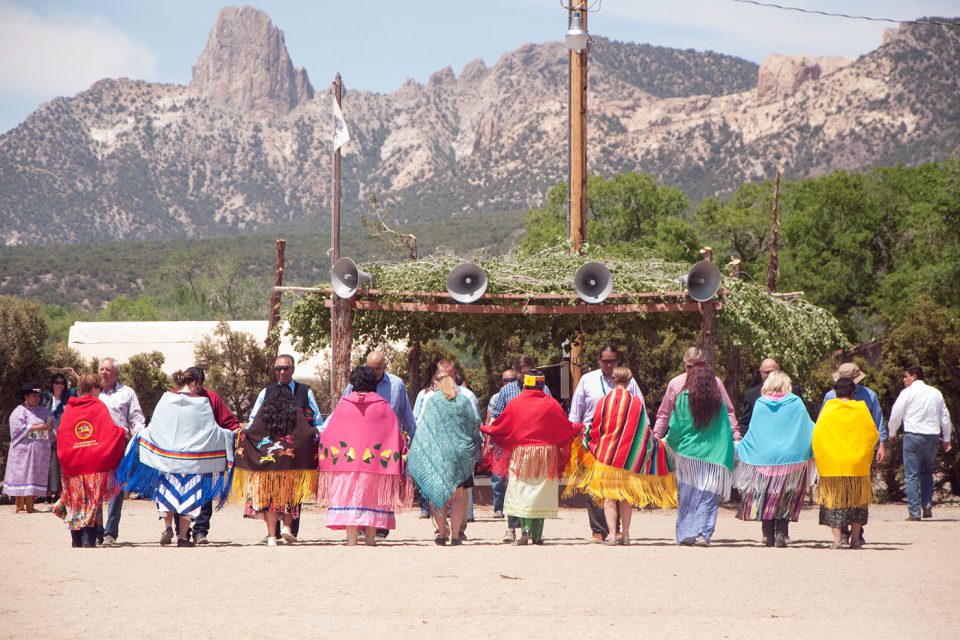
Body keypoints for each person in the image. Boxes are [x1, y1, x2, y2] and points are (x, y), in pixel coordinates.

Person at [115, 369, 234, 547]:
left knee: (166, 494)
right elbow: (211, 431)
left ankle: (167, 527)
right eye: (199, 385)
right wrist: (228, 435)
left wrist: (142, 437)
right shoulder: (201, 403)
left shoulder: (166, 398)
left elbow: (155, 427)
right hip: (193, 462)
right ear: (194, 383)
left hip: (167, 459)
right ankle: (183, 537)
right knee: (190, 497)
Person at [565, 366, 676, 546]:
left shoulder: (603, 402)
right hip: (628, 458)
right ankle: (626, 535)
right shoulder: (636, 403)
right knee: (626, 497)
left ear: (614, 380)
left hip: (607, 458)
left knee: (609, 497)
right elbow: (641, 431)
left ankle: (612, 536)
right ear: (629, 381)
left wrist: (586, 440)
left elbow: (595, 428)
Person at [481, 370, 581, 545]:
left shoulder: (516, 403)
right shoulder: (551, 404)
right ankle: (537, 535)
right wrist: (579, 427)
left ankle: (525, 529)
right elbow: (564, 426)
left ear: (525, 384)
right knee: (540, 492)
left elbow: (500, 426)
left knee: (521, 491)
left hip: (522, 454)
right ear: (542, 385)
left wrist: (485, 429)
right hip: (545, 455)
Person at [317, 365, 412, 546]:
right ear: (373, 382)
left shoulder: (344, 405)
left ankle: (351, 540)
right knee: (373, 500)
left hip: (347, 467)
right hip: (375, 466)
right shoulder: (383, 406)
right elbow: (394, 434)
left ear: (353, 383)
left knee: (349, 498)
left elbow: (329, 434)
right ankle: (370, 540)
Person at [568, 345, 645, 542]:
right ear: (599, 361)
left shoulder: (630, 382)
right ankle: (598, 529)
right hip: (591, 440)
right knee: (595, 486)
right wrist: (574, 435)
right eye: (605, 361)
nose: (609, 365)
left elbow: (641, 410)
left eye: (612, 361)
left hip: (622, 442)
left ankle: (615, 529)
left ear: (618, 362)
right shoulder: (587, 380)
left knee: (619, 486)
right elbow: (576, 411)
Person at [733, 371, 815, 548]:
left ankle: (768, 534)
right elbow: (809, 428)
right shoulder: (796, 403)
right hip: (791, 458)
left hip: (764, 458)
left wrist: (742, 446)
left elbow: (754, 431)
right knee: (785, 496)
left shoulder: (761, 404)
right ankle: (781, 533)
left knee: (766, 496)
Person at [232, 386, 319, 546]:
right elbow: (306, 433)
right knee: (289, 497)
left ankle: (272, 536)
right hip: (289, 465)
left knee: (270, 500)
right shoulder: (295, 413)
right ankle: (286, 527)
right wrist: (315, 432)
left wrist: (241, 434)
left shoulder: (264, 412)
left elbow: (252, 432)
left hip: (267, 466)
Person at [249, 354, 321, 539]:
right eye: (278, 368)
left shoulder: (305, 391)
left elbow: (318, 421)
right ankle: (273, 532)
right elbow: (253, 420)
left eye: (285, 368)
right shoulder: (267, 391)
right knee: (271, 490)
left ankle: (290, 530)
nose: (281, 372)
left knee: (292, 489)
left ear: (293, 369)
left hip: (295, 451)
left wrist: (309, 436)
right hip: (271, 452)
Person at [664, 362, 735, 546]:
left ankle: (687, 533)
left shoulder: (682, 399)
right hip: (713, 455)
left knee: (687, 494)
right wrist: (727, 453)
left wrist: (669, 443)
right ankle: (703, 533)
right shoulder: (717, 402)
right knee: (708, 494)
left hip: (688, 454)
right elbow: (724, 430)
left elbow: (676, 429)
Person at [408, 372, 482, 545]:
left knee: (438, 495)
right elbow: (474, 424)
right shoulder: (463, 401)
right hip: (459, 455)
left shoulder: (433, 401)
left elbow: (425, 428)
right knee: (457, 497)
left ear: (439, 384)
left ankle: (442, 535)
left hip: (439, 455)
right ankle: (456, 536)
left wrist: (419, 448)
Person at [53, 374, 126, 548]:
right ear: (93, 389)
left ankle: (76, 540)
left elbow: (63, 436)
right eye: (98, 389)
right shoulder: (98, 406)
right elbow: (109, 432)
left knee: (76, 503)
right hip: (94, 465)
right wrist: (122, 432)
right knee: (93, 503)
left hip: (73, 466)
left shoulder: (69, 408)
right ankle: (88, 540)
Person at [818, 362, 886, 545]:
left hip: (834, 460)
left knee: (834, 499)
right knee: (856, 499)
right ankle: (855, 539)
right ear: (853, 389)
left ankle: (837, 539)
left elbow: (819, 431)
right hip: (857, 461)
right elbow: (873, 431)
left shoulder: (830, 405)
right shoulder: (862, 408)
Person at [489, 355, 553, 543]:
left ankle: (533, 529)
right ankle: (512, 528)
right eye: (522, 373)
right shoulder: (507, 390)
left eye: (529, 372)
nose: (525, 377)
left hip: (538, 447)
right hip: (513, 447)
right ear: (515, 371)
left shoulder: (544, 389)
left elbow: (550, 412)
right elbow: (497, 416)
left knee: (535, 487)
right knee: (514, 487)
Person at [175, 366, 241, 545]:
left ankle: (200, 531)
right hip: (179, 456)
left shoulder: (211, 398)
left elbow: (228, 421)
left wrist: (237, 430)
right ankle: (181, 533)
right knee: (179, 493)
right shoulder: (174, 397)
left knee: (204, 494)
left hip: (204, 456)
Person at [887, 366, 953, 521]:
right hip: (932, 436)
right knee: (927, 472)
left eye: (906, 376)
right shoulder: (935, 393)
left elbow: (896, 414)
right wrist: (947, 438)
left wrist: (892, 433)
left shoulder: (907, 393)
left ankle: (914, 512)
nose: (904, 380)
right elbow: (945, 416)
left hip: (914, 435)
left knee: (912, 475)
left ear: (914, 376)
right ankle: (927, 505)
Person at [97, 357, 146, 545]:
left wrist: (139, 436)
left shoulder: (127, 393)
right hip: (96, 445)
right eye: (101, 369)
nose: (103, 372)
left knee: (116, 487)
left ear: (116, 373)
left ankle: (110, 532)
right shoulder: (94, 393)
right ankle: (96, 530)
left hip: (119, 444)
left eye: (108, 369)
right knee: (96, 486)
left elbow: (136, 417)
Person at [653, 347, 740, 443]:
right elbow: (664, 414)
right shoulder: (675, 384)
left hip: (709, 443)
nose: (693, 371)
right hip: (683, 443)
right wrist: (656, 438)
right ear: (684, 364)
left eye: (697, 367)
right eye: (689, 367)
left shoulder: (716, 383)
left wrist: (736, 437)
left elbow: (728, 411)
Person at [3, 383, 53, 512]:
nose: (37, 398)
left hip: (39, 450)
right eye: (33, 396)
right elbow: (16, 430)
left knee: (34, 475)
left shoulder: (44, 411)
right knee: (21, 475)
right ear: (26, 396)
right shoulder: (19, 411)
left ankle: (31, 505)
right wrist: (37, 427)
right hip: (22, 451)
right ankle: (19, 505)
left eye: (38, 396)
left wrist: (50, 427)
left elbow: (51, 427)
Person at [40, 369, 77, 502]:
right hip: (48, 434)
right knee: (48, 463)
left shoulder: (68, 395)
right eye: (56, 382)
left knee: (63, 463)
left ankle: (62, 492)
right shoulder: (45, 396)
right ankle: (47, 492)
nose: (59, 385)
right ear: (52, 384)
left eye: (62, 383)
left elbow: (84, 386)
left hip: (65, 434)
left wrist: (73, 373)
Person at [485, 368, 517, 519]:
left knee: (514, 476)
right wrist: (487, 439)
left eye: (512, 380)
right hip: (499, 443)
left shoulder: (519, 395)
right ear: (502, 381)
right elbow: (490, 418)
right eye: (506, 380)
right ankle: (498, 508)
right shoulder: (495, 398)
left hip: (515, 442)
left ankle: (512, 508)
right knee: (498, 476)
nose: (509, 383)